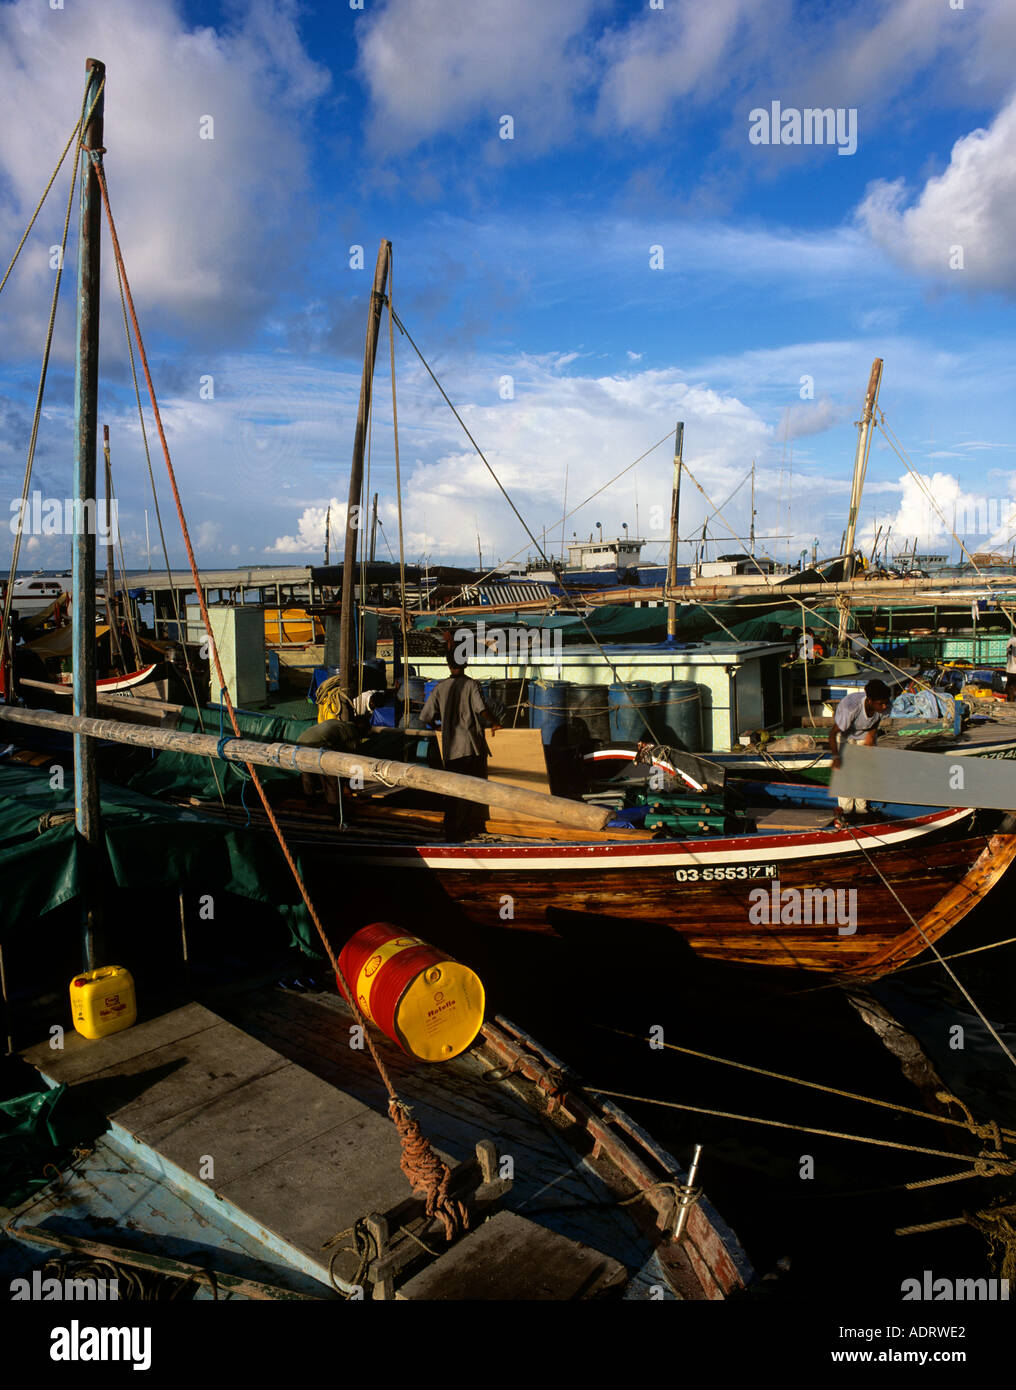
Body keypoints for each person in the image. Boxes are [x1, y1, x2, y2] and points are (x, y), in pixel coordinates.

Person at [420, 652, 500, 840]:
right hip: (468, 747)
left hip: (449, 749)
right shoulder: (471, 685)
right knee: (468, 791)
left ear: (448, 665)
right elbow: (481, 709)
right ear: (465, 664)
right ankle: (461, 832)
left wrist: (438, 726)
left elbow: (425, 716)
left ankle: (451, 831)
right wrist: (495, 722)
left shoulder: (440, 687)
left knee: (452, 792)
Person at [829, 678, 892, 820]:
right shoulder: (850, 709)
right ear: (869, 701)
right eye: (880, 703)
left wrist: (871, 734)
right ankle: (845, 811)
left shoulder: (885, 704)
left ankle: (861, 810)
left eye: (885, 703)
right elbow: (833, 734)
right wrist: (836, 757)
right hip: (846, 732)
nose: (884, 706)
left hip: (866, 730)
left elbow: (878, 719)